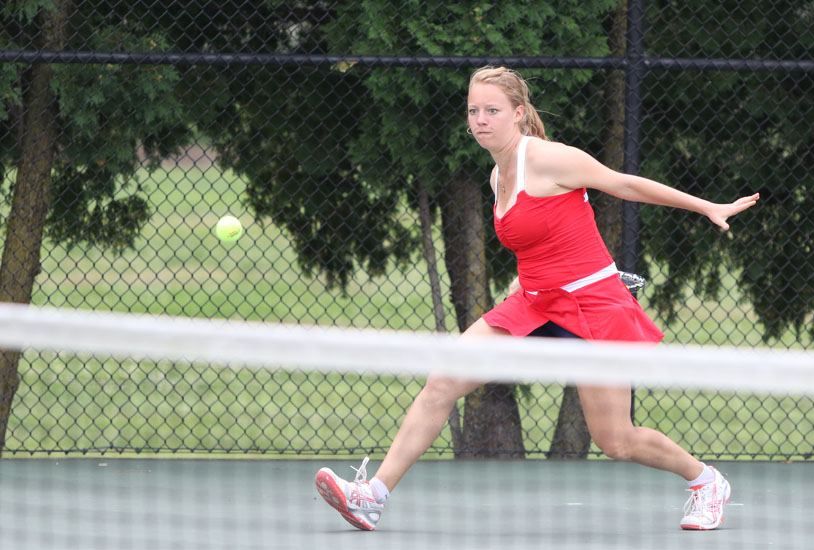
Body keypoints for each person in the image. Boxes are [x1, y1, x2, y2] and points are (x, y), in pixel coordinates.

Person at [315, 66, 759, 532]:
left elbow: (623, 183)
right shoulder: (496, 177)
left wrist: (706, 206)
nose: (481, 120)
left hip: (593, 307)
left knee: (617, 441)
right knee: (444, 379)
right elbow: (539, 241)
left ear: (519, 113)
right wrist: (519, 284)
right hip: (534, 302)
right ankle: (372, 496)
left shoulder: (549, 159)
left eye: (492, 110)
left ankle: (706, 481)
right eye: (473, 111)